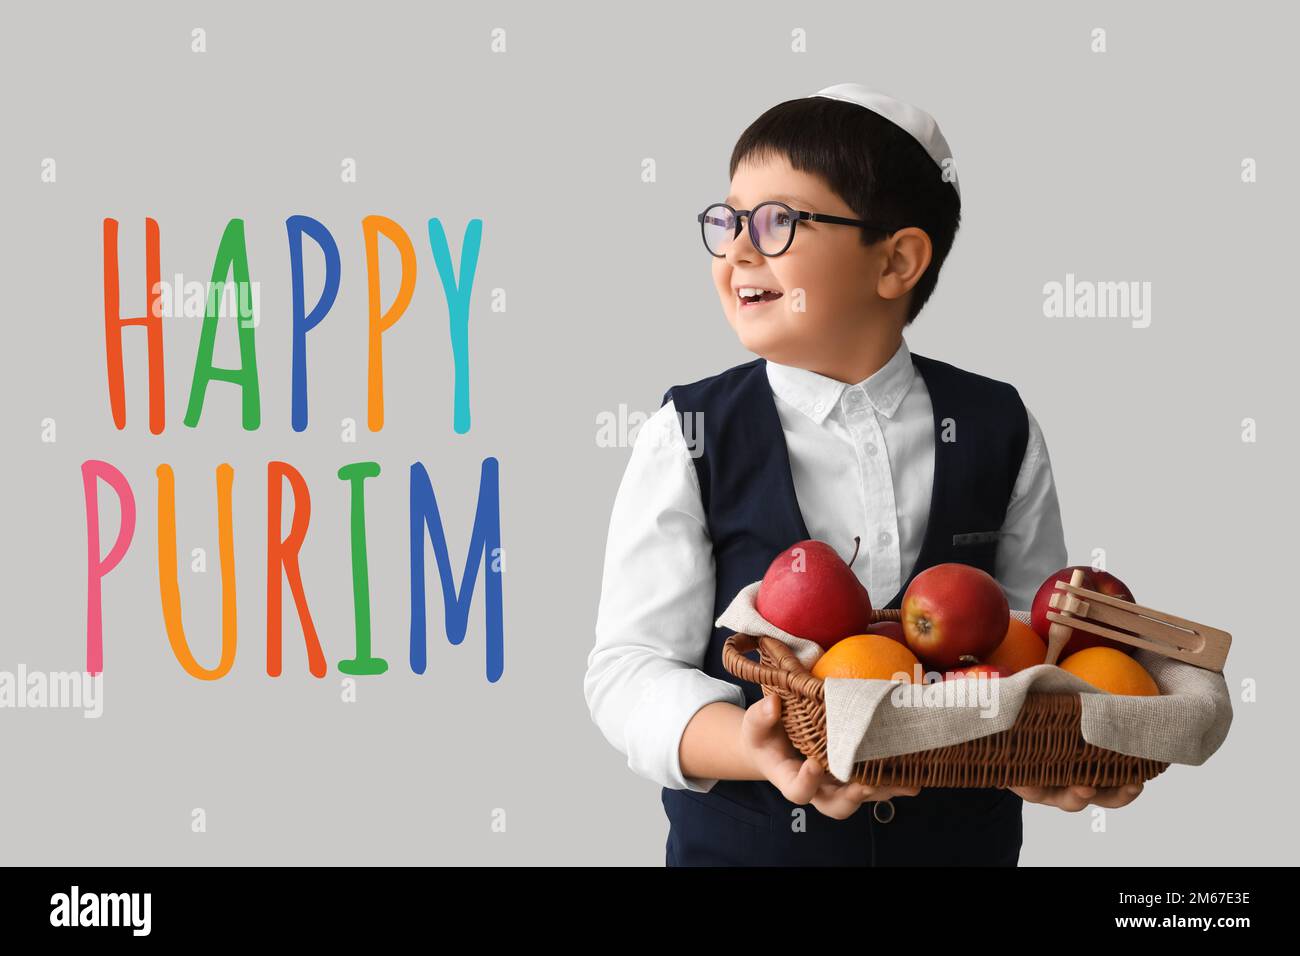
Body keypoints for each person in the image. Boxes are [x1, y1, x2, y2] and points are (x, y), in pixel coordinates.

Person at [585, 84, 1143, 866]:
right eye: (728, 221)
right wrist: (762, 752)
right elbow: (629, 670)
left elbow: (1030, 649)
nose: (739, 249)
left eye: (778, 222)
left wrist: (1052, 757)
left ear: (896, 261)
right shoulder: (689, 434)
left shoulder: (999, 426)